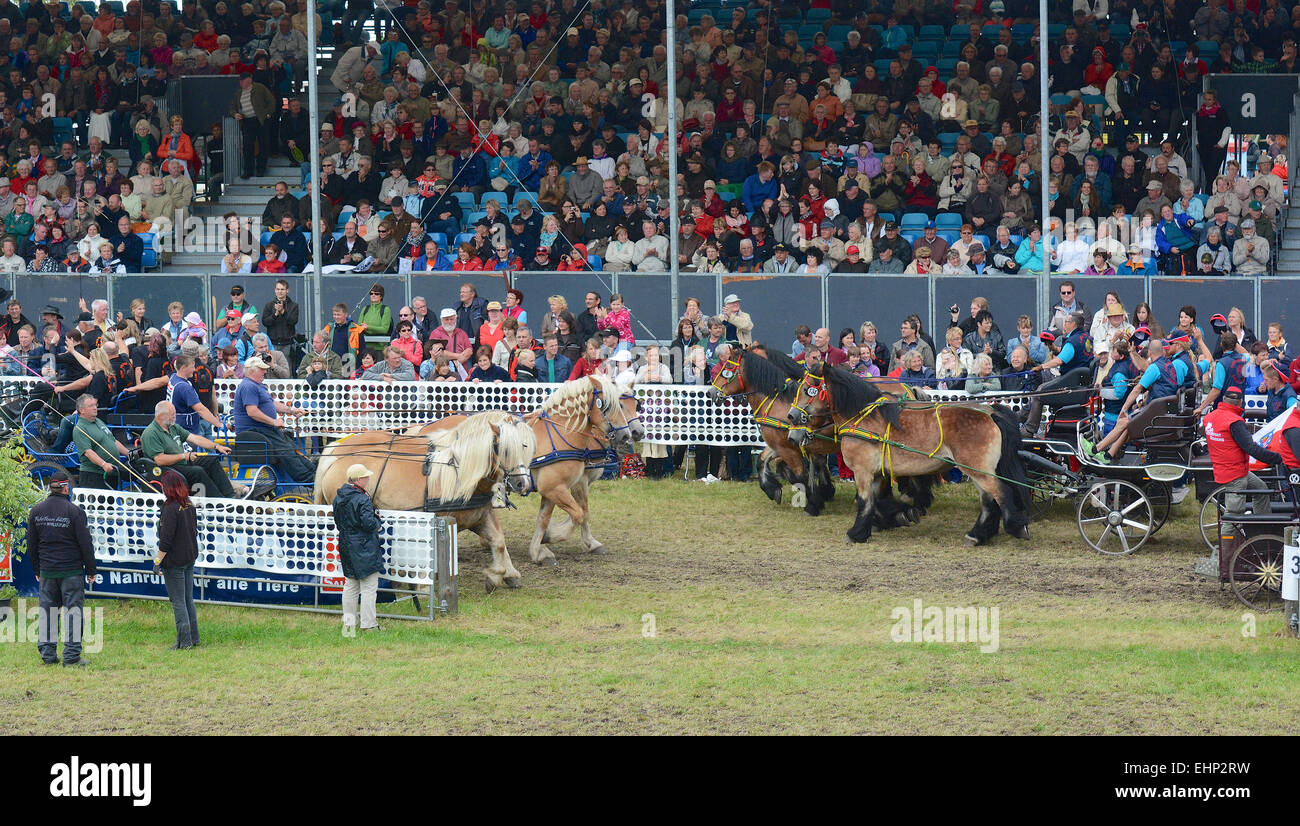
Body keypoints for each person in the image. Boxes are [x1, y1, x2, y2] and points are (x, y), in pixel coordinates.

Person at [1197, 387, 1284, 577]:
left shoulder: (1210, 418)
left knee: (1261, 488)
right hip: (1235, 473)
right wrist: (1277, 458)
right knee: (1231, 516)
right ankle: (1225, 561)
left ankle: (1261, 531)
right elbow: (1251, 447)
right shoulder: (1234, 422)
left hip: (1227, 468)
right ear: (1240, 403)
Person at [27, 470, 97, 666]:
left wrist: (37, 570)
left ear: (50, 487)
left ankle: (48, 655)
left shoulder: (37, 511)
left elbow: (31, 545)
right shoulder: (75, 512)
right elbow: (86, 544)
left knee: (48, 612)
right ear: (66, 487)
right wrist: (91, 570)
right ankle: (72, 657)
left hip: (47, 572)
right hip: (71, 572)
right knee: (73, 613)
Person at [232, 356, 315, 481]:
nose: (265, 372)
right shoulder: (248, 386)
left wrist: (291, 410)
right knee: (286, 451)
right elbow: (252, 412)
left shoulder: (257, 385)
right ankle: (307, 478)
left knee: (291, 447)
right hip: (255, 431)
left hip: (264, 430)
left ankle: (314, 472)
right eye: (262, 369)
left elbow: (272, 403)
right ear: (252, 371)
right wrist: (274, 422)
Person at [142, 400, 243, 499]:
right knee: (197, 472)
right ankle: (219, 501)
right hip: (167, 469)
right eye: (172, 414)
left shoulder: (173, 427)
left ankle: (230, 495)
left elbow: (195, 438)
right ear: (161, 416)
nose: (175, 416)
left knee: (210, 460)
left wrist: (217, 446)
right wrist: (184, 456)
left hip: (181, 462)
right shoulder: (151, 433)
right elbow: (159, 460)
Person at [333, 463, 384, 634]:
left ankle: (349, 625)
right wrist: (378, 521)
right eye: (366, 477)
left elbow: (338, 522)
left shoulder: (338, 497)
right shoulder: (362, 498)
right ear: (359, 479)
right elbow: (369, 524)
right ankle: (369, 624)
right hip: (363, 545)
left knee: (350, 584)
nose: (368, 479)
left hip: (346, 542)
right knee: (369, 586)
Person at [153, 469, 201, 649]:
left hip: (175, 561)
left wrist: (157, 562)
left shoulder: (170, 508)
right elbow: (194, 530)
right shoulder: (188, 504)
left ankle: (185, 641)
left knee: (178, 602)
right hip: (189, 557)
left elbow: (165, 541)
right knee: (188, 600)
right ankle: (193, 638)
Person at [71, 393, 133, 489]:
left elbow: (113, 441)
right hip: (94, 476)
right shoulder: (80, 428)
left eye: (95, 405)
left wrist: (129, 454)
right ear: (81, 410)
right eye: (91, 406)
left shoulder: (98, 421)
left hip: (111, 473)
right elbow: (88, 452)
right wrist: (103, 464)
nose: (95, 408)